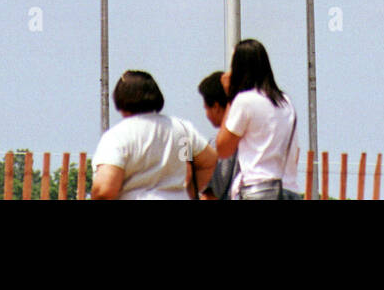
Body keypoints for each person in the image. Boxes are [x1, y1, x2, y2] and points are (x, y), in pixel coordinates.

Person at [90, 69, 218, 200]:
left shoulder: (117, 136)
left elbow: (104, 190)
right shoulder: (181, 130)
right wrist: (187, 194)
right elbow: (208, 162)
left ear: (120, 100)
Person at [215, 39, 300, 200]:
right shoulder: (286, 102)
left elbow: (223, 148)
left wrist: (230, 96)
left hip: (259, 189)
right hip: (289, 189)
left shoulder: (244, 100)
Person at [196, 70, 239, 200]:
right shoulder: (250, 138)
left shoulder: (216, 145)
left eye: (206, 108)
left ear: (216, 107)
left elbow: (210, 195)